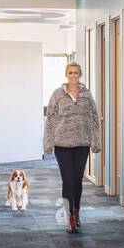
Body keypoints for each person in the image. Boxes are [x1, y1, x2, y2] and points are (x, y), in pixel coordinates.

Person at [44, 60, 101, 233]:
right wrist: (48, 142)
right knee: (67, 180)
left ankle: (77, 212)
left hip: (82, 143)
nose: (73, 75)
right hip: (62, 144)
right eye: (70, 72)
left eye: (76, 72)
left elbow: (94, 119)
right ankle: (69, 217)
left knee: (77, 180)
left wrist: (95, 141)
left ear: (80, 74)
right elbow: (51, 120)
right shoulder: (57, 94)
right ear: (66, 74)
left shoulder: (87, 94)